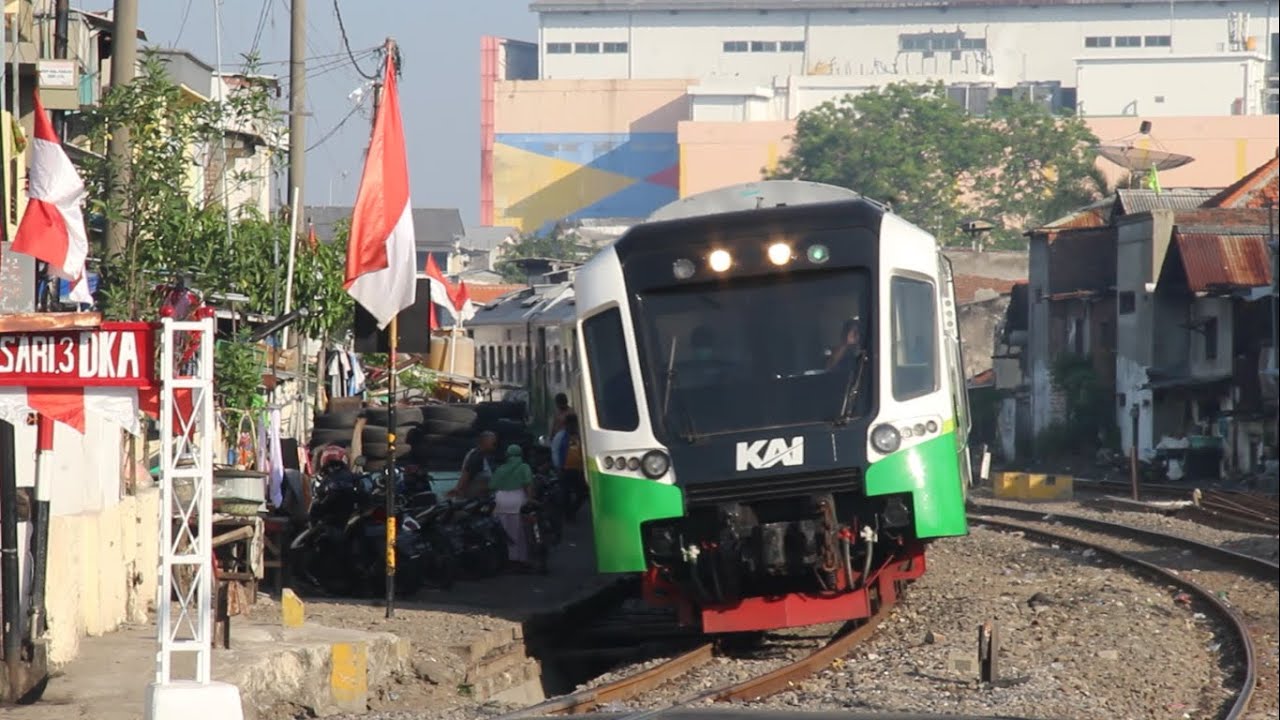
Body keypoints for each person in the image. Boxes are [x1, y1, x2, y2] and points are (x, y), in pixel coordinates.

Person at [490, 444, 534, 569]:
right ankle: (518, 559)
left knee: (504, 532)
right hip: (517, 500)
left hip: (500, 500)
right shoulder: (524, 467)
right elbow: (528, 484)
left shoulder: (501, 468)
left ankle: (506, 559)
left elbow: (492, 485)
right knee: (518, 532)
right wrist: (530, 499)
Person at [557, 413, 588, 521]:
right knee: (565, 494)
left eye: (574, 425)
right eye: (570, 425)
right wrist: (558, 467)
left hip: (579, 470)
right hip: (565, 469)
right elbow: (555, 451)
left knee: (582, 493)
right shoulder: (561, 436)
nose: (572, 427)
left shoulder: (582, 436)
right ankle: (569, 515)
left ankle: (571, 511)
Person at [452, 431, 498, 499]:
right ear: (485, 441)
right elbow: (465, 476)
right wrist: (458, 492)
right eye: (493, 440)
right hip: (471, 501)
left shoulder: (481, 455)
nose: (495, 443)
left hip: (477, 500)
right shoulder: (477, 456)